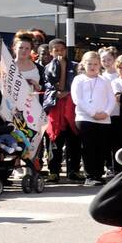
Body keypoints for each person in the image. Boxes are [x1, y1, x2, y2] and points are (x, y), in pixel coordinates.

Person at [71, 50, 114, 186]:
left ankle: (99, 174)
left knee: (101, 147)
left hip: (104, 119)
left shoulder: (105, 80)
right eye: (90, 64)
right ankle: (90, 175)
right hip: (85, 118)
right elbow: (77, 99)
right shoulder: (78, 79)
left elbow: (111, 99)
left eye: (96, 64)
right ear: (84, 64)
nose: (93, 66)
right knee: (88, 147)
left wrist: (106, 113)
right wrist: (92, 113)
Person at [43, 39, 82, 183]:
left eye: (61, 49)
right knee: (54, 140)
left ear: (65, 50)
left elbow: (77, 84)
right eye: (56, 50)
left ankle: (74, 170)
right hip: (56, 106)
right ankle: (53, 171)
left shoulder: (76, 66)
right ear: (51, 52)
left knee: (74, 140)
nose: (59, 52)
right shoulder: (47, 67)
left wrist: (65, 67)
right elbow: (50, 85)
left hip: (71, 105)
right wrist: (57, 92)